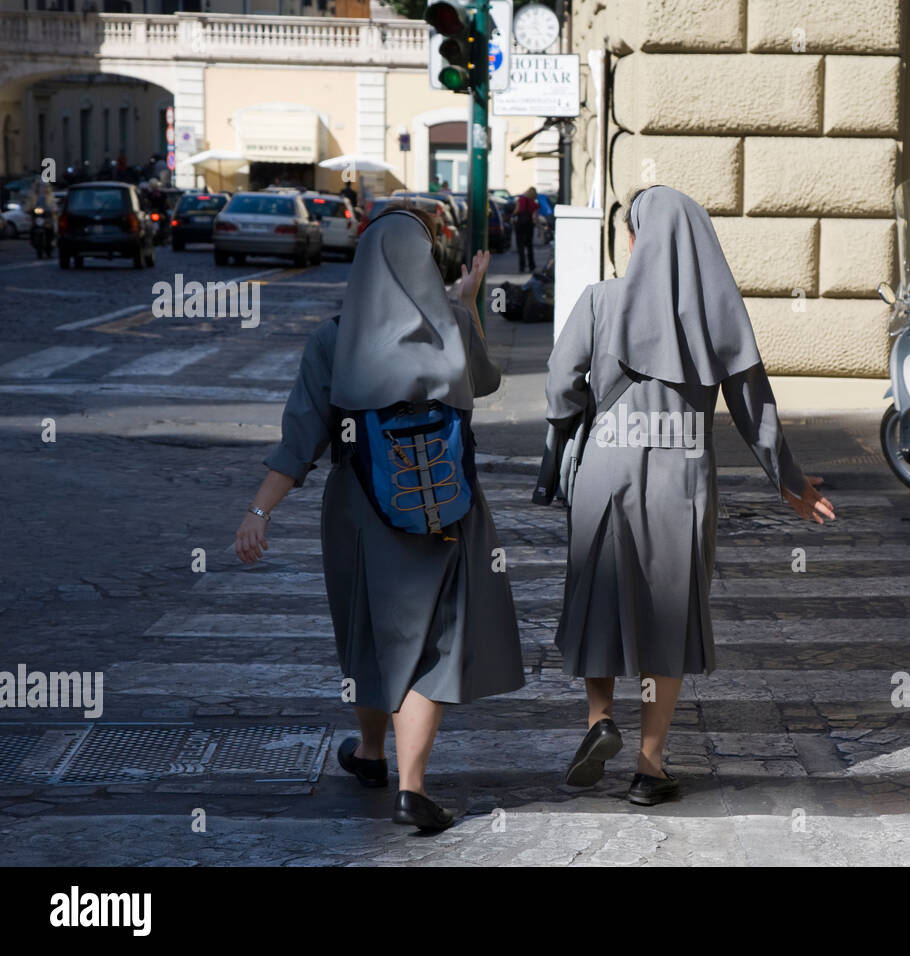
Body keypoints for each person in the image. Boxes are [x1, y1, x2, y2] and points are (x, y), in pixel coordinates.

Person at [234, 205, 525, 832]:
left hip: (358, 509)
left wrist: (260, 510)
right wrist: (468, 304)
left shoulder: (334, 340)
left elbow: (301, 440)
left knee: (368, 627)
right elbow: (486, 383)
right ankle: (407, 783)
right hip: (446, 507)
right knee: (430, 646)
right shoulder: (448, 325)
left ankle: (371, 753)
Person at [544, 185, 835, 806]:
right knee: (667, 618)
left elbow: (559, 389)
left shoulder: (598, 301)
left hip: (606, 472)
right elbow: (755, 407)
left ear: (638, 238)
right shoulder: (717, 313)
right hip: (682, 479)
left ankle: (599, 722)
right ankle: (650, 767)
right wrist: (789, 481)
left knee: (600, 595)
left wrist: (582, 413)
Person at [514, 186, 538, 273]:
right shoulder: (534, 202)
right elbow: (535, 216)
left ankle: (522, 266)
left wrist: (513, 214)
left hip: (520, 224)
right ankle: (531, 265)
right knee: (529, 246)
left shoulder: (520, 199)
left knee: (520, 246)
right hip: (529, 225)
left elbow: (516, 210)